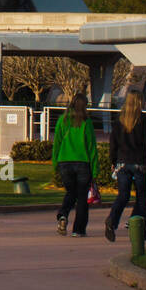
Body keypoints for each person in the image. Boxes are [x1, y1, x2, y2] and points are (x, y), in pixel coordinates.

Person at [104, 90, 146, 242]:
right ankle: (137, 224)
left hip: (122, 162)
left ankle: (112, 219)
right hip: (139, 162)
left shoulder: (119, 120)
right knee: (142, 197)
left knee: (123, 195)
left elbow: (113, 144)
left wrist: (112, 161)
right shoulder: (144, 120)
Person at [51, 93, 99, 236]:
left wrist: (55, 164)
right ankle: (78, 229)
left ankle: (63, 213)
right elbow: (92, 148)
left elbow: (57, 143)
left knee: (71, 192)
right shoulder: (87, 122)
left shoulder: (62, 120)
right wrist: (95, 170)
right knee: (82, 197)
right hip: (83, 163)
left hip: (65, 161)